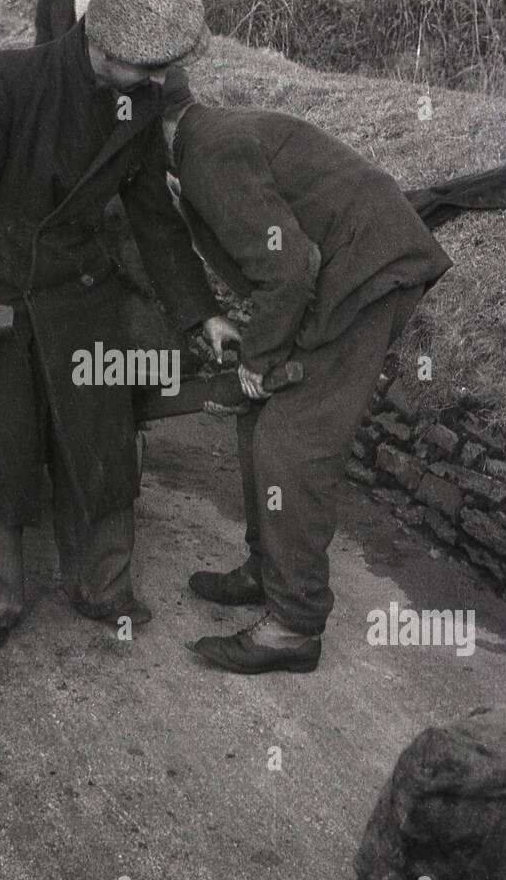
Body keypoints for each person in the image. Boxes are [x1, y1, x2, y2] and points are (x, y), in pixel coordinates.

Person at [0, 0, 239, 650]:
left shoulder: (142, 103)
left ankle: (102, 586)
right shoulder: (6, 82)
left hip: (82, 291)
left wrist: (199, 314)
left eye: (166, 69)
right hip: (0, 288)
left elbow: (156, 221)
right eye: (149, 67)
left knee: (103, 446)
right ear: (101, 43)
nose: (160, 81)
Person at [159, 81, 453, 675]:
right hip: (340, 270)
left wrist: (258, 363)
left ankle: (293, 627)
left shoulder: (209, 151)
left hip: (366, 274)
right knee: (260, 420)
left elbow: (290, 266)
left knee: (293, 442)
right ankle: (266, 570)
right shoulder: (205, 136)